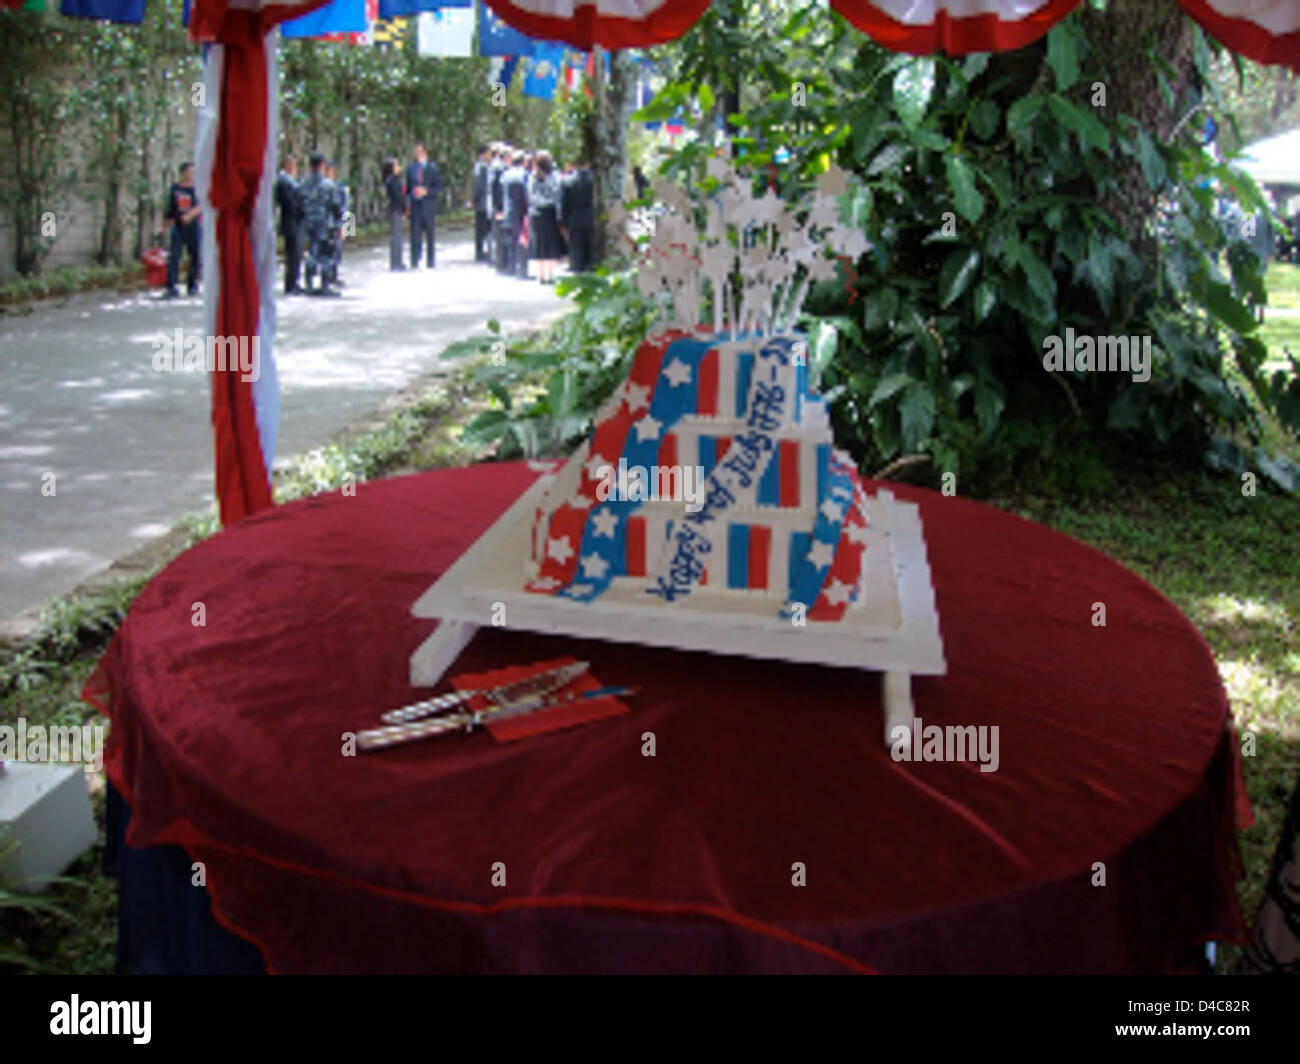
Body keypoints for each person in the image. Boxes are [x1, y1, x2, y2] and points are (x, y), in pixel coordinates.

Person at [300, 152, 341, 297]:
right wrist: (340, 224)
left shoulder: (303, 184)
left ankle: (309, 284)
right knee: (326, 255)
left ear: (310, 166)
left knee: (312, 252)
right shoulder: (328, 185)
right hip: (325, 223)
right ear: (322, 166)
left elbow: (299, 204)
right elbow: (336, 206)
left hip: (309, 223)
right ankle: (324, 285)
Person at [162, 162, 201, 299]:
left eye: (194, 172)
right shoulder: (176, 188)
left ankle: (192, 285)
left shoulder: (198, 188)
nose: (192, 174)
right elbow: (171, 207)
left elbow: (201, 204)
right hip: (178, 226)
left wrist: (190, 215)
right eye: (190, 171)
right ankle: (171, 286)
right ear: (183, 173)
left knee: (196, 255)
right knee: (174, 256)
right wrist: (165, 223)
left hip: (194, 225)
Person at [528, 150, 563, 285]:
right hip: (550, 212)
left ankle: (540, 275)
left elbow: (530, 195)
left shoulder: (533, 176)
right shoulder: (555, 176)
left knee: (539, 243)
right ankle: (550, 274)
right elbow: (558, 195)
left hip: (537, 213)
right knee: (551, 243)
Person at [405, 142, 442, 269]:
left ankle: (431, 261)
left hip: (428, 205)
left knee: (430, 234)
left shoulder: (433, 168)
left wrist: (427, 192)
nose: (418, 154)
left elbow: (438, 187)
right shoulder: (411, 168)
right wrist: (408, 203)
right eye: (416, 152)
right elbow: (408, 188)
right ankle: (414, 260)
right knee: (415, 234)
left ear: (426, 152)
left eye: (420, 151)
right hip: (416, 205)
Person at [560, 156, 595, 273]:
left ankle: (577, 270)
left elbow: (564, 203)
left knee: (576, 248)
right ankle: (590, 268)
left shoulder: (568, 181)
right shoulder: (594, 180)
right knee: (590, 247)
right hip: (591, 216)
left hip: (574, 217)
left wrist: (563, 222)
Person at [274, 157, 303, 294]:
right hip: (290, 222)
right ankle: (290, 284)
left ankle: (294, 282)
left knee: (296, 255)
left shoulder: (290, 182)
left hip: (294, 223)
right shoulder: (283, 182)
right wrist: (300, 208)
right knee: (292, 255)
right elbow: (289, 203)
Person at [502, 151, 529, 279]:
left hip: (508, 211)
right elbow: (526, 194)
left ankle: (511, 267)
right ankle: (523, 270)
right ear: (524, 162)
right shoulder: (524, 175)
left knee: (511, 240)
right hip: (521, 211)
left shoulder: (506, 174)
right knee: (523, 240)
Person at [326, 162, 348, 287]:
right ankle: (328, 276)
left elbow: (345, 206)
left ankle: (334, 275)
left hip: (339, 223)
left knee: (338, 251)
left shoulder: (340, 187)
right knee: (329, 251)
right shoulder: (324, 187)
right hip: (328, 223)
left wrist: (347, 227)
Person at [384, 158, 407, 271]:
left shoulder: (395, 179)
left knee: (398, 236)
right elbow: (398, 196)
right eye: (396, 165)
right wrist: (404, 206)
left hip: (397, 209)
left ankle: (398, 261)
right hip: (396, 209)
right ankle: (395, 262)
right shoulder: (392, 180)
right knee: (396, 236)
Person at [491, 144, 510, 275]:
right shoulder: (499, 170)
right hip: (500, 208)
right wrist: (498, 208)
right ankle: (501, 264)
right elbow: (496, 191)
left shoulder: (501, 168)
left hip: (502, 207)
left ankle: (504, 263)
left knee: (503, 236)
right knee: (500, 236)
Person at [472, 144, 491, 263]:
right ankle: (479, 252)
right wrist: (474, 199)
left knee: (486, 228)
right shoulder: (480, 166)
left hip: (485, 202)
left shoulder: (486, 166)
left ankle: (485, 251)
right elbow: (478, 185)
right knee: (481, 229)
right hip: (482, 203)